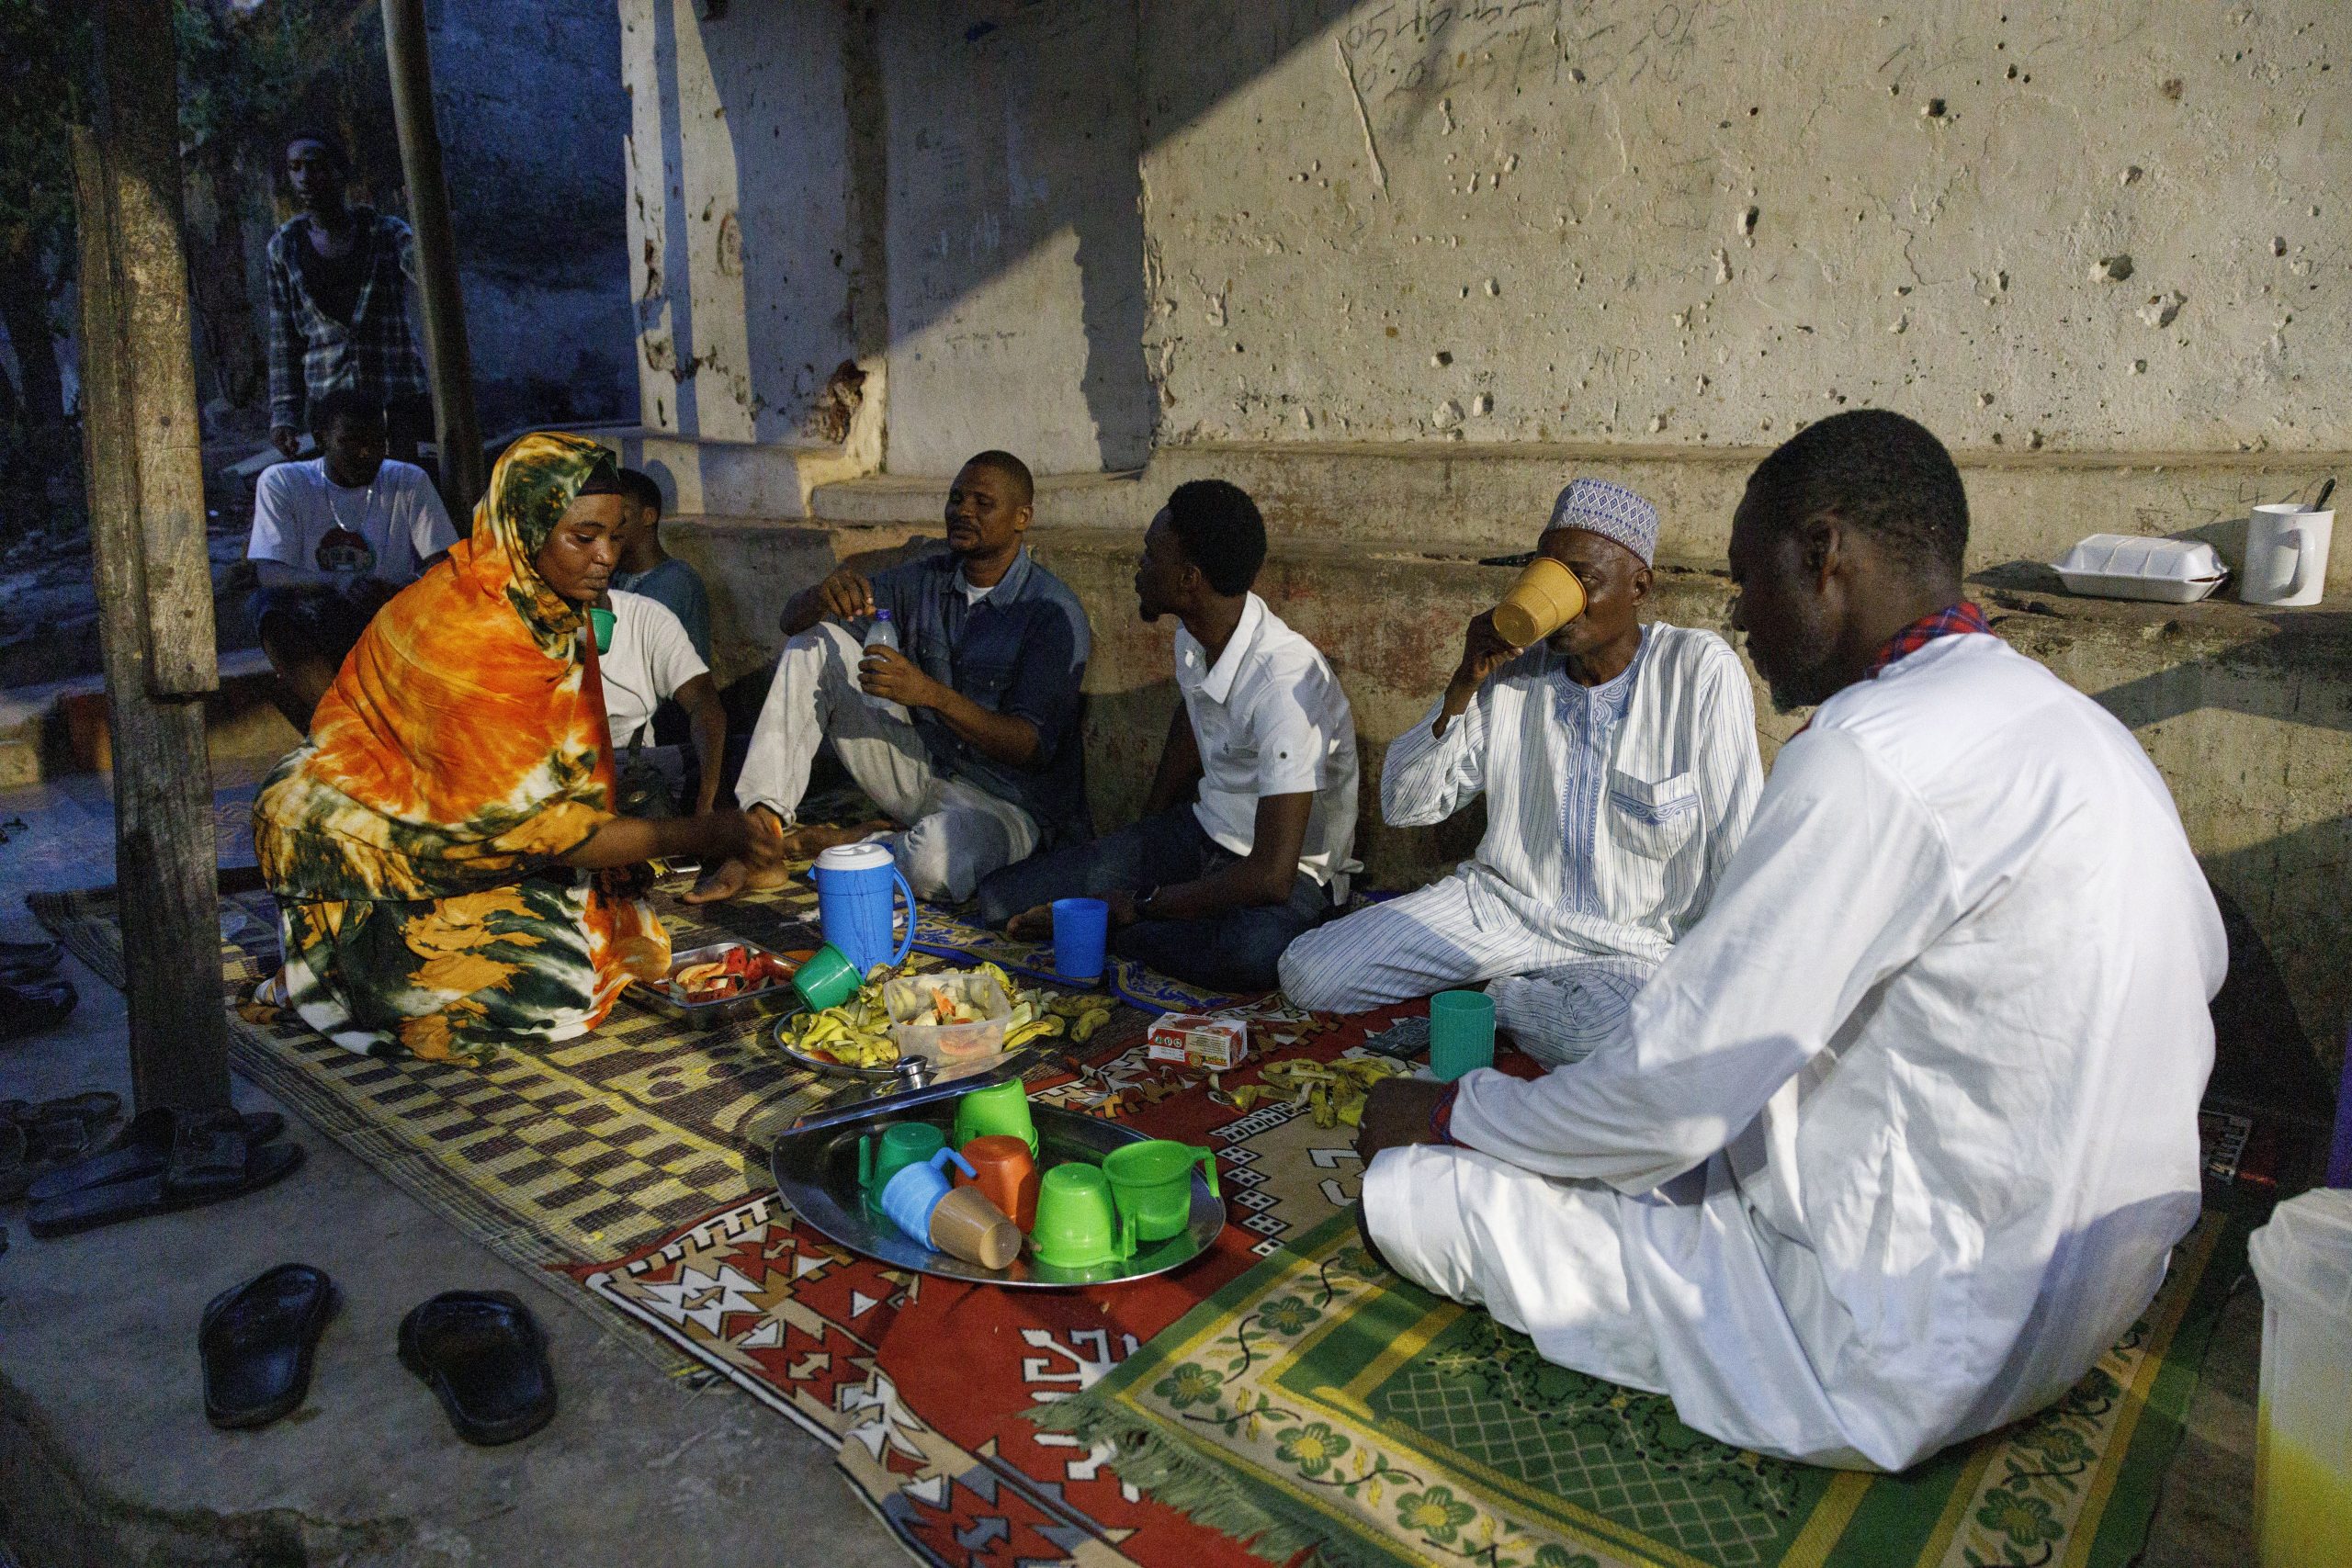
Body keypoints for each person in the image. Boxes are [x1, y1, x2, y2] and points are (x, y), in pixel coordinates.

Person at [1352, 410, 2224, 1472]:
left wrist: (1455, 1110)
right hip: (2093, 1294)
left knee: (1413, 1196)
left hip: (1894, 1344)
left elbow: (1672, 1100)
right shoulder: (2084, 731)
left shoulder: (1865, 752)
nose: (1742, 617)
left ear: (1821, 557)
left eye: (1745, 580)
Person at [252, 433, 786, 1066]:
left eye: (614, 536)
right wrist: (704, 831)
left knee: (619, 896)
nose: (605, 556)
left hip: (467, 816)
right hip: (361, 832)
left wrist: (676, 830)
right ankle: (336, 960)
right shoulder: (467, 631)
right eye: (582, 538)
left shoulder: (548, 605)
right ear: (526, 526)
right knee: (559, 986)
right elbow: (547, 830)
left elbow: (568, 764)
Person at [1279, 479, 1761, 1063]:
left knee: (1603, 1039)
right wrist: (1465, 681)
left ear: (1639, 587)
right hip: (1500, 911)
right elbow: (1407, 805)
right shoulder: (1513, 672)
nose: (1561, 594)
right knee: (1309, 974)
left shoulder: (1699, 671)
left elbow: (1739, 848)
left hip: (1631, 948)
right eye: (1547, 570)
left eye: (1581, 578)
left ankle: (1500, 1001)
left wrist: (1715, 984)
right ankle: (1526, 999)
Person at [978, 479, 1358, 993]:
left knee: (1251, 956)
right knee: (1001, 902)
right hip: (1201, 834)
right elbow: (1191, 717)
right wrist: (1144, 838)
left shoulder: (1283, 683)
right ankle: (1146, 923)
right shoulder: (1194, 634)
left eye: (1149, 556)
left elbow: (1271, 875)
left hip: (1289, 877)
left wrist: (1135, 904)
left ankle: (1122, 932)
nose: (1138, 569)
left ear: (1188, 579)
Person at [687, 450, 1090, 904]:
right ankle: (762, 835)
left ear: (1022, 518)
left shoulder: (1051, 612)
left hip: (1006, 806)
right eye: (956, 498)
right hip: (925, 772)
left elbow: (1030, 747)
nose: (962, 511)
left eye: (982, 502)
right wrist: (822, 595)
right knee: (814, 640)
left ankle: (847, 846)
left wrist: (929, 694)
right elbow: (790, 622)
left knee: (932, 863)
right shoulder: (924, 580)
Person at [246, 388, 458, 730]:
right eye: (350, 441)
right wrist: (339, 582)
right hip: (320, 615)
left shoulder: (408, 480)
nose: (366, 453)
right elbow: (269, 573)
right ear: (321, 438)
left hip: (390, 617)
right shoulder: (283, 481)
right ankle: (343, 726)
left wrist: (402, 588)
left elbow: (444, 566)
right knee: (267, 606)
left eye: (378, 441)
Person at [266, 134, 432, 463]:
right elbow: (284, 341)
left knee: (399, 489)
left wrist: (425, 205)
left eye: (315, 167)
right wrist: (284, 414)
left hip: (391, 393)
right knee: (344, 493)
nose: (304, 179)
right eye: (295, 168)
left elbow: (426, 269)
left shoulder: (385, 233)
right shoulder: (284, 248)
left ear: (339, 170)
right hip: (331, 401)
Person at [598, 586, 727, 818]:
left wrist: (707, 801)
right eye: (584, 546)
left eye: (612, 546)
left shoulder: (645, 617)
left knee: (744, 758)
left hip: (632, 763)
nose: (603, 556)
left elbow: (703, 702)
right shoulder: (519, 626)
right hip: (553, 768)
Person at [611, 468, 712, 662]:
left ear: (648, 516)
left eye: (620, 517)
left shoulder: (677, 582)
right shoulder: (613, 575)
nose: (610, 525)